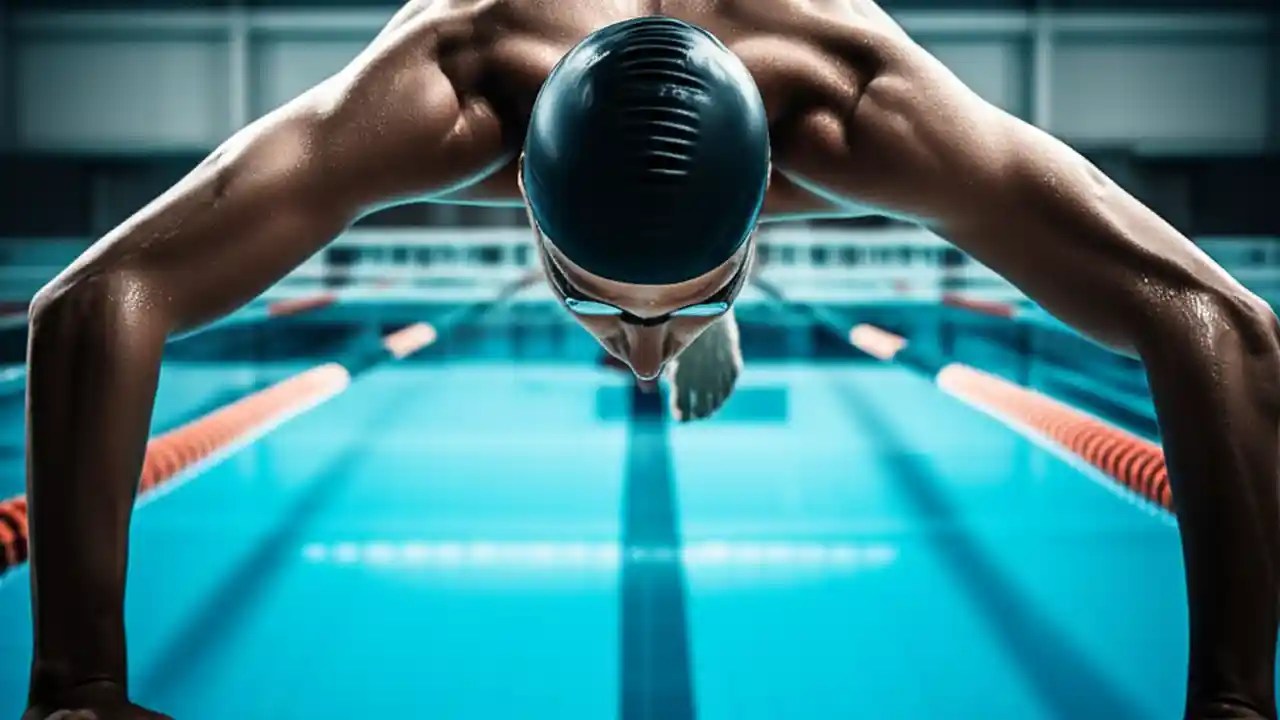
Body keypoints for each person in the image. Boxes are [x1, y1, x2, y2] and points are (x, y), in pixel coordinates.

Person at [21, 2, 1279, 718]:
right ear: (515, 192)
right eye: (602, 307)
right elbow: (92, 302)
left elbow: (1213, 320)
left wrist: (1233, 702)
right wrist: (78, 683)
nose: (637, 354)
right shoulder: (446, 85)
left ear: (766, 213)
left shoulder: (855, 101)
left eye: (683, 303)